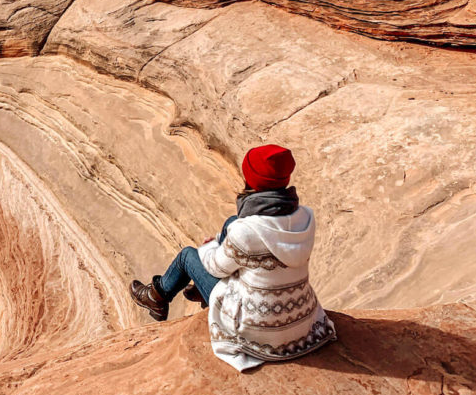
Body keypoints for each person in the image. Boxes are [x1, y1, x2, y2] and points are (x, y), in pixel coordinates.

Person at [130, 145, 336, 371]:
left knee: (188, 256)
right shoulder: (306, 217)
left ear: (252, 179)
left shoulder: (246, 232)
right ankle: (196, 289)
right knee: (231, 222)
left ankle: (156, 296)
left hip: (259, 331)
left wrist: (210, 246)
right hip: (300, 325)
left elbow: (215, 267)